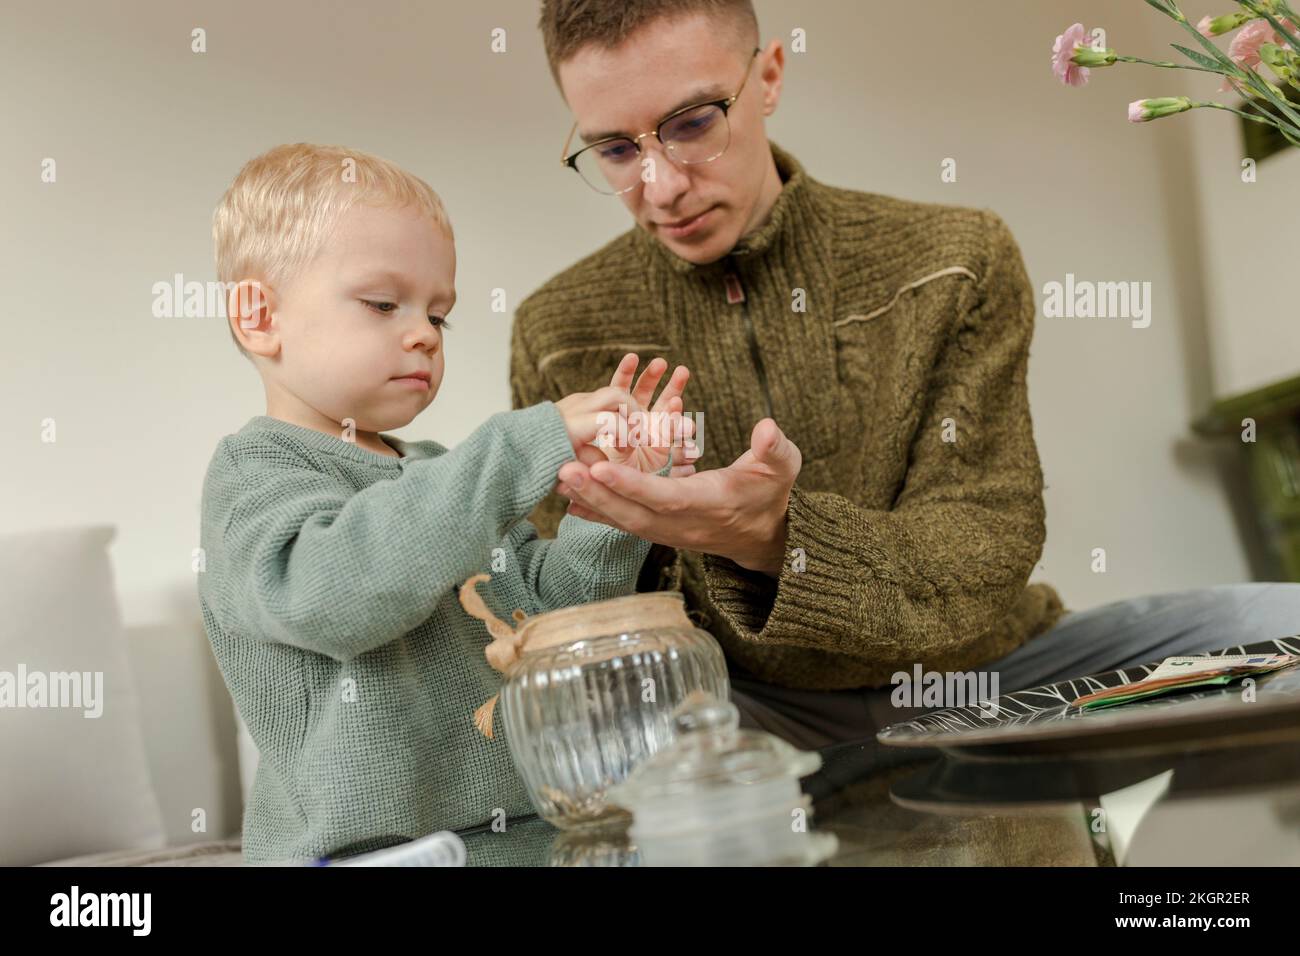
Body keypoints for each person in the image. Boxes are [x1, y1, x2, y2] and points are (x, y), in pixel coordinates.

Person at [510, 0, 1300, 750]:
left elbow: (984, 550)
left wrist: (780, 542)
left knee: (1285, 634)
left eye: (691, 125)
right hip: (746, 715)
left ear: (771, 77)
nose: (663, 186)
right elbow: (582, 624)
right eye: (616, 149)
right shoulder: (556, 333)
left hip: (990, 680)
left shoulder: (956, 259)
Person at [198, 143, 685, 862]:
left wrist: (611, 506)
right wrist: (524, 444)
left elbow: (550, 618)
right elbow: (337, 596)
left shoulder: (438, 474)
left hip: (526, 839)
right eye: (381, 303)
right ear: (259, 317)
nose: (424, 333)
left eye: (440, 315)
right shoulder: (254, 476)